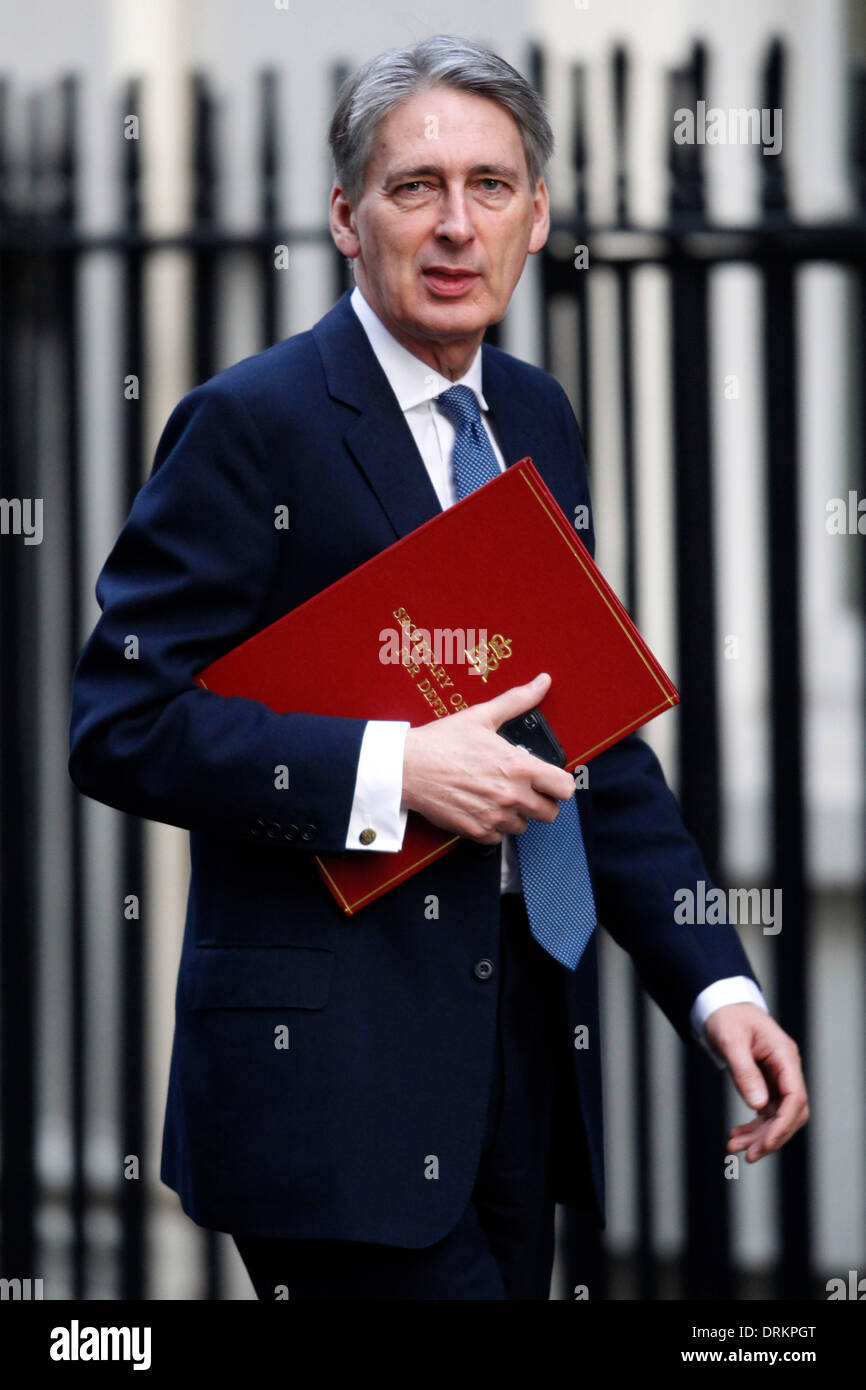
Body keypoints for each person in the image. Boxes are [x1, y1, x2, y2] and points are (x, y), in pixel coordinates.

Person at [68, 34, 808, 1301]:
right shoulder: (255, 422)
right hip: (331, 1088)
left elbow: (584, 729)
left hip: (519, 1059)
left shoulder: (533, 415)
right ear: (348, 219)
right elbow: (122, 718)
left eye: (490, 186)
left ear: (536, 216)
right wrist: (392, 768)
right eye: (416, 188)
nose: (456, 226)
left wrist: (714, 980)